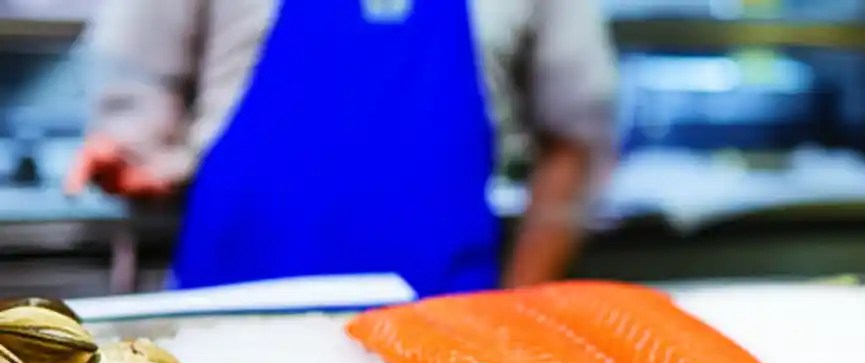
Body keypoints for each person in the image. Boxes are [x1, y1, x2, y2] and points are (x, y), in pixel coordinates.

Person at [65, 0, 618, 294]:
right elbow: (138, 84)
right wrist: (136, 152)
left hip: (447, 328)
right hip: (226, 316)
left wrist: (519, 308)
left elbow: (576, 141)